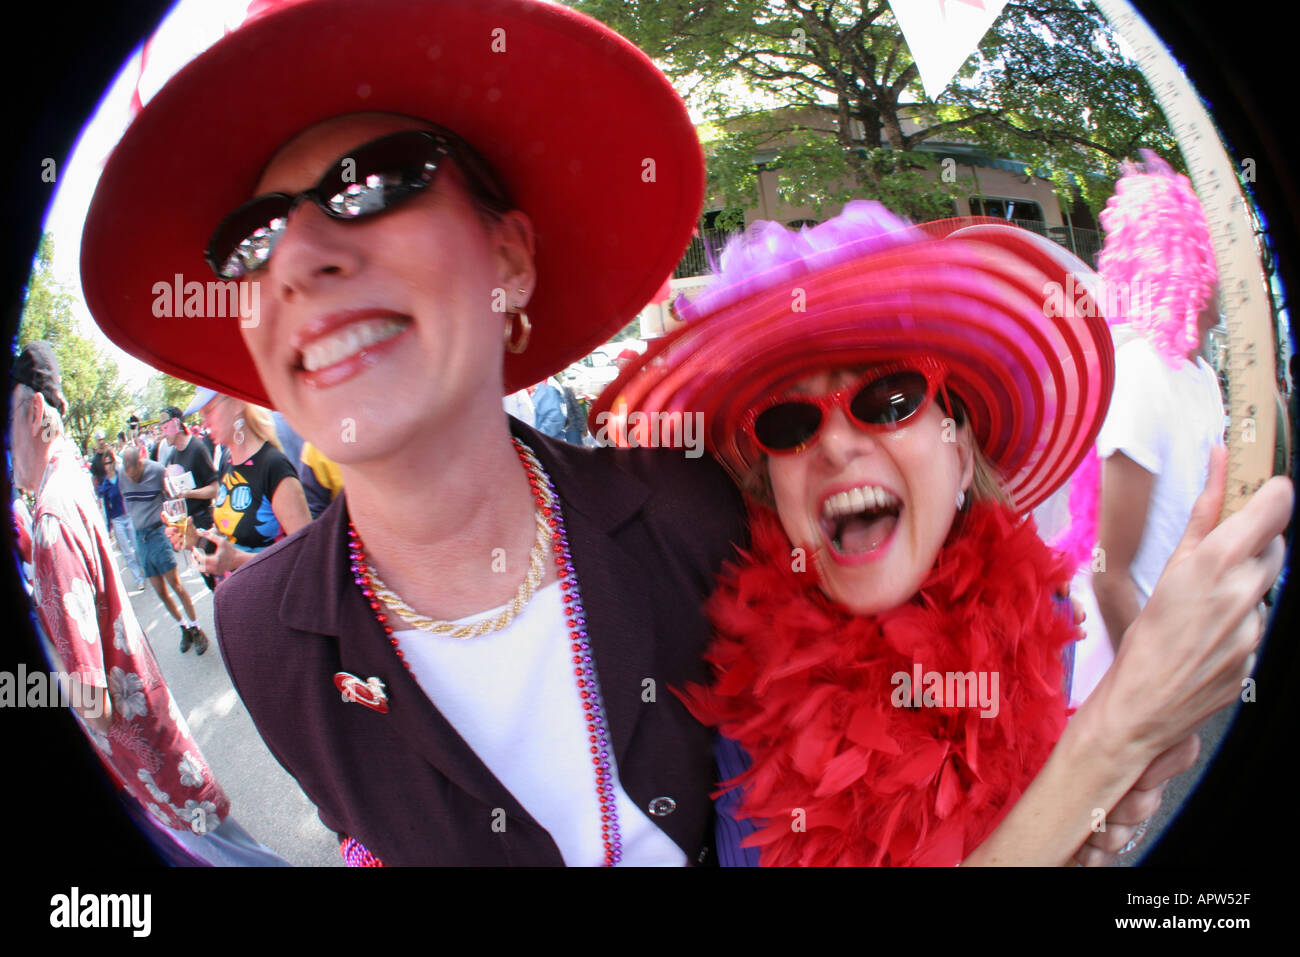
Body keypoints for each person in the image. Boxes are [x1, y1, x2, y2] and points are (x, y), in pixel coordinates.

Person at [77, 0, 1289, 866]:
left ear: (507, 258)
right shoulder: (261, 635)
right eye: (250, 238)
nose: (302, 255)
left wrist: (1096, 785)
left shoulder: (700, 524)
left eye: (373, 182)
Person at [596, 202, 1291, 866]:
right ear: (769, 483)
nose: (835, 446)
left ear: (961, 453)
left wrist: (1079, 831)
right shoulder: (741, 683)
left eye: (889, 397)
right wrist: (1116, 734)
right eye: (790, 422)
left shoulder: (1040, 617)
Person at [175, 388, 310, 579]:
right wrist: (196, 539)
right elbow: (228, 537)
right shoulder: (228, 462)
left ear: (237, 403)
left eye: (209, 412)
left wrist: (238, 560)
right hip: (240, 598)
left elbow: (308, 553)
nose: (204, 423)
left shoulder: (273, 466)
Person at [118, 444, 210, 654]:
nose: (131, 479)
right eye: (128, 475)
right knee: (160, 591)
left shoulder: (157, 471)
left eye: (135, 474)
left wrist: (178, 529)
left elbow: (175, 498)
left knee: (175, 585)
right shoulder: (123, 475)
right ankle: (183, 627)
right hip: (140, 537)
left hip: (158, 532)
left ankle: (197, 628)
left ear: (141, 462)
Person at [157, 404, 221, 591]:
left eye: (164, 427)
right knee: (209, 581)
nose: (162, 433)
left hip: (205, 522)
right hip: (190, 527)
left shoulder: (197, 448)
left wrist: (190, 494)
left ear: (176, 424)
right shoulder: (173, 455)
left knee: (219, 577)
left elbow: (216, 488)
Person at [90, 451, 145, 591]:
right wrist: (109, 528)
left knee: (137, 547)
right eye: (105, 463)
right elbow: (107, 508)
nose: (108, 466)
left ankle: (142, 568)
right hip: (117, 519)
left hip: (129, 515)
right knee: (127, 552)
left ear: (113, 462)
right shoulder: (105, 485)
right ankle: (138, 579)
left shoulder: (122, 477)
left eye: (109, 462)